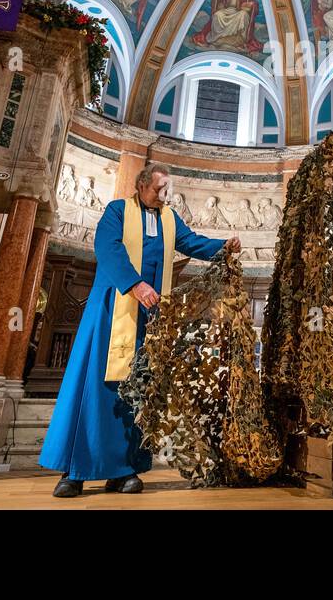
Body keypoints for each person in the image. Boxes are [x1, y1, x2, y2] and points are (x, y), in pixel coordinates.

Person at [40, 163, 241, 496]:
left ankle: (124, 470)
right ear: (143, 185)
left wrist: (223, 246)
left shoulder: (169, 218)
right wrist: (135, 285)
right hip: (111, 309)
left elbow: (191, 242)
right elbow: (109, 249)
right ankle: (74, 472)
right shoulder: (118, 211)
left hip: (147, 318)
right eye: (162, 187)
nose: (166, 193)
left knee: (137, 390)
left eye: (168, 188)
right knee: (94, 386)